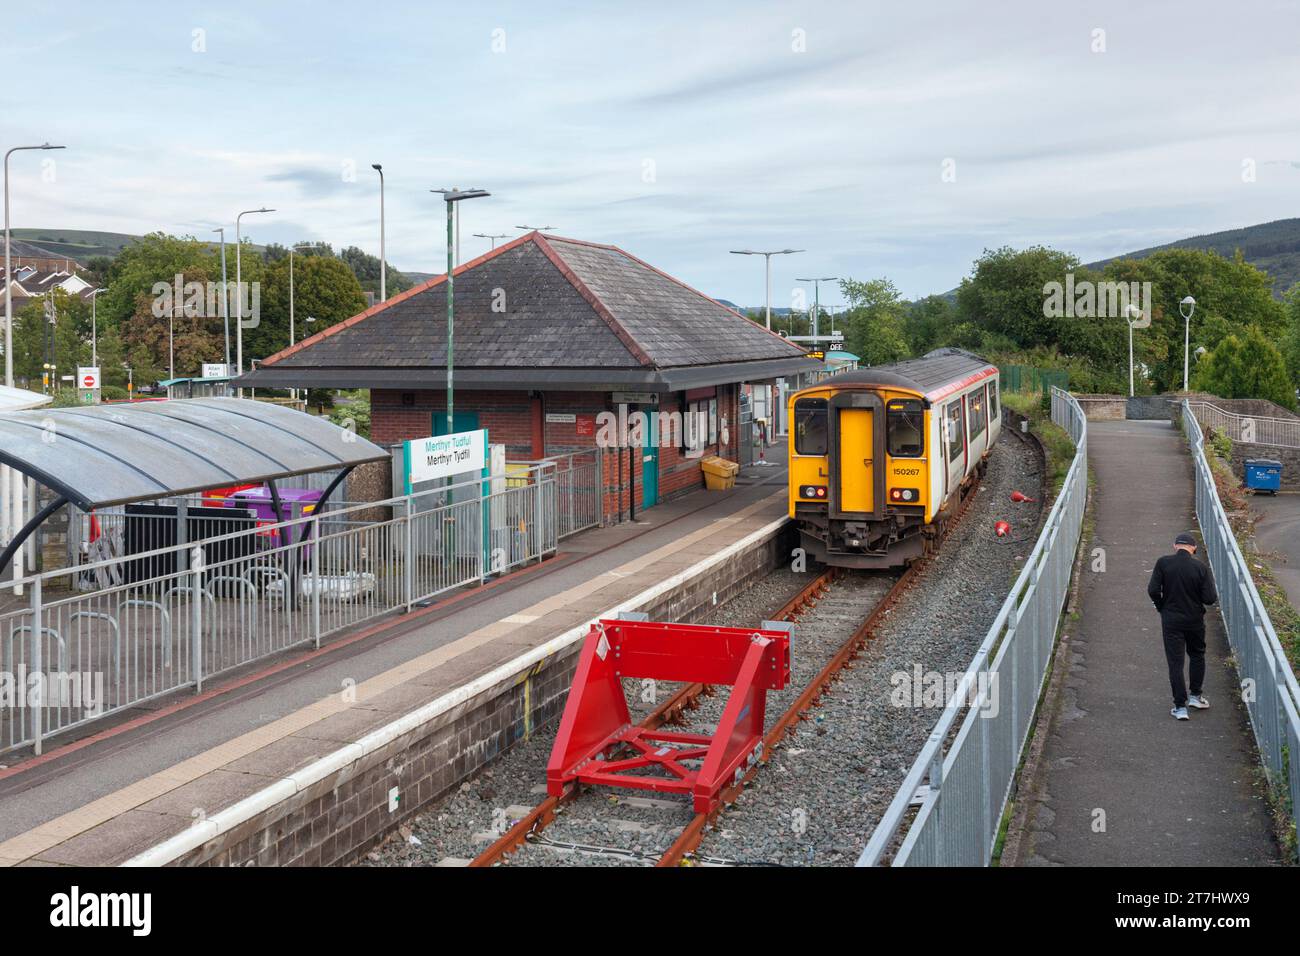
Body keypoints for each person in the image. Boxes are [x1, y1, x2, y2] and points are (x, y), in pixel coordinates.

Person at [1147, 531, 1218, 720]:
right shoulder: (1200, 568)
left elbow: (1153, 590)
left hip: (1171, 620)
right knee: (1197, 655)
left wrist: (1162, 607)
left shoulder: (1163, 563)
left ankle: (1180, 707)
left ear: (1175, 546)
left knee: (1175, 662)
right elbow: (1210, 599)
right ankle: (1196, 696)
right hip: (1194, 620)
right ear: (1193, 548)